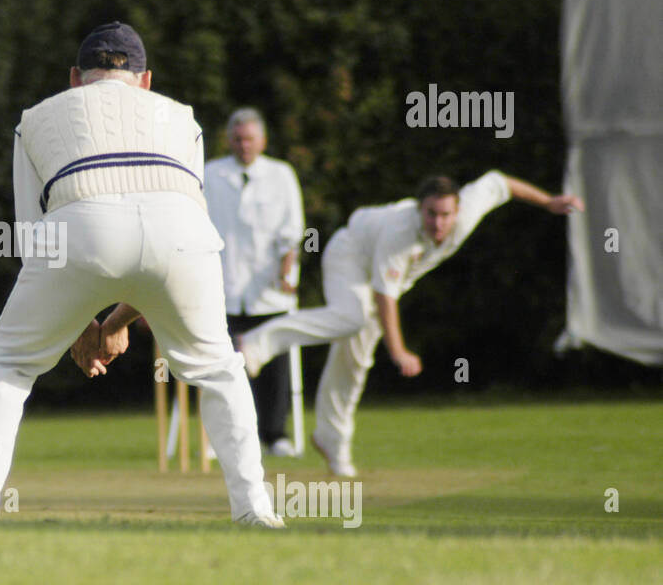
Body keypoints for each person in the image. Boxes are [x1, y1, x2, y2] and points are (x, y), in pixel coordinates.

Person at [0, 21, 284, 527]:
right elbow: (174, 233)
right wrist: (116, 322)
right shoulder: (184, 117)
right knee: (220, 371)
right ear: (146, 79)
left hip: (80, 231)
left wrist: (84, 326)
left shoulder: (35, 118)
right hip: (182, 238)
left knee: (6, 365)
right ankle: (256, 512)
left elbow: (33, 237)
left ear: (75, 78)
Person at [238, 172, 585, 476]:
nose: (438, 223)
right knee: (351, 318)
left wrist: (549, 201)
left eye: (445, 214)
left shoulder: (468, 209)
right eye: (431, 213)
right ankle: (255, 343)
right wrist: (400, 350)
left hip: (382, 279)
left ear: (457, 210)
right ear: (420, 209)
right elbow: (384, 296)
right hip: (350, 257)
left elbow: (501, 183)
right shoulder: (400, 231)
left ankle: (332, 440)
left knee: (355, 362)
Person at [205, 107, 305, 456]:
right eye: (237, 138)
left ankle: (275, 434)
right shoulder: (211, 174)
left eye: (249, 138)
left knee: (275, 366)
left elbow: (292, 232)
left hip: (269, 292)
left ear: (262, 140)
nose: (243, 145)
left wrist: (286, 272)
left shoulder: (281, 174)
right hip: (224, 288)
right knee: (226, 364)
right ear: (228, 140)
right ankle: (227, 438)